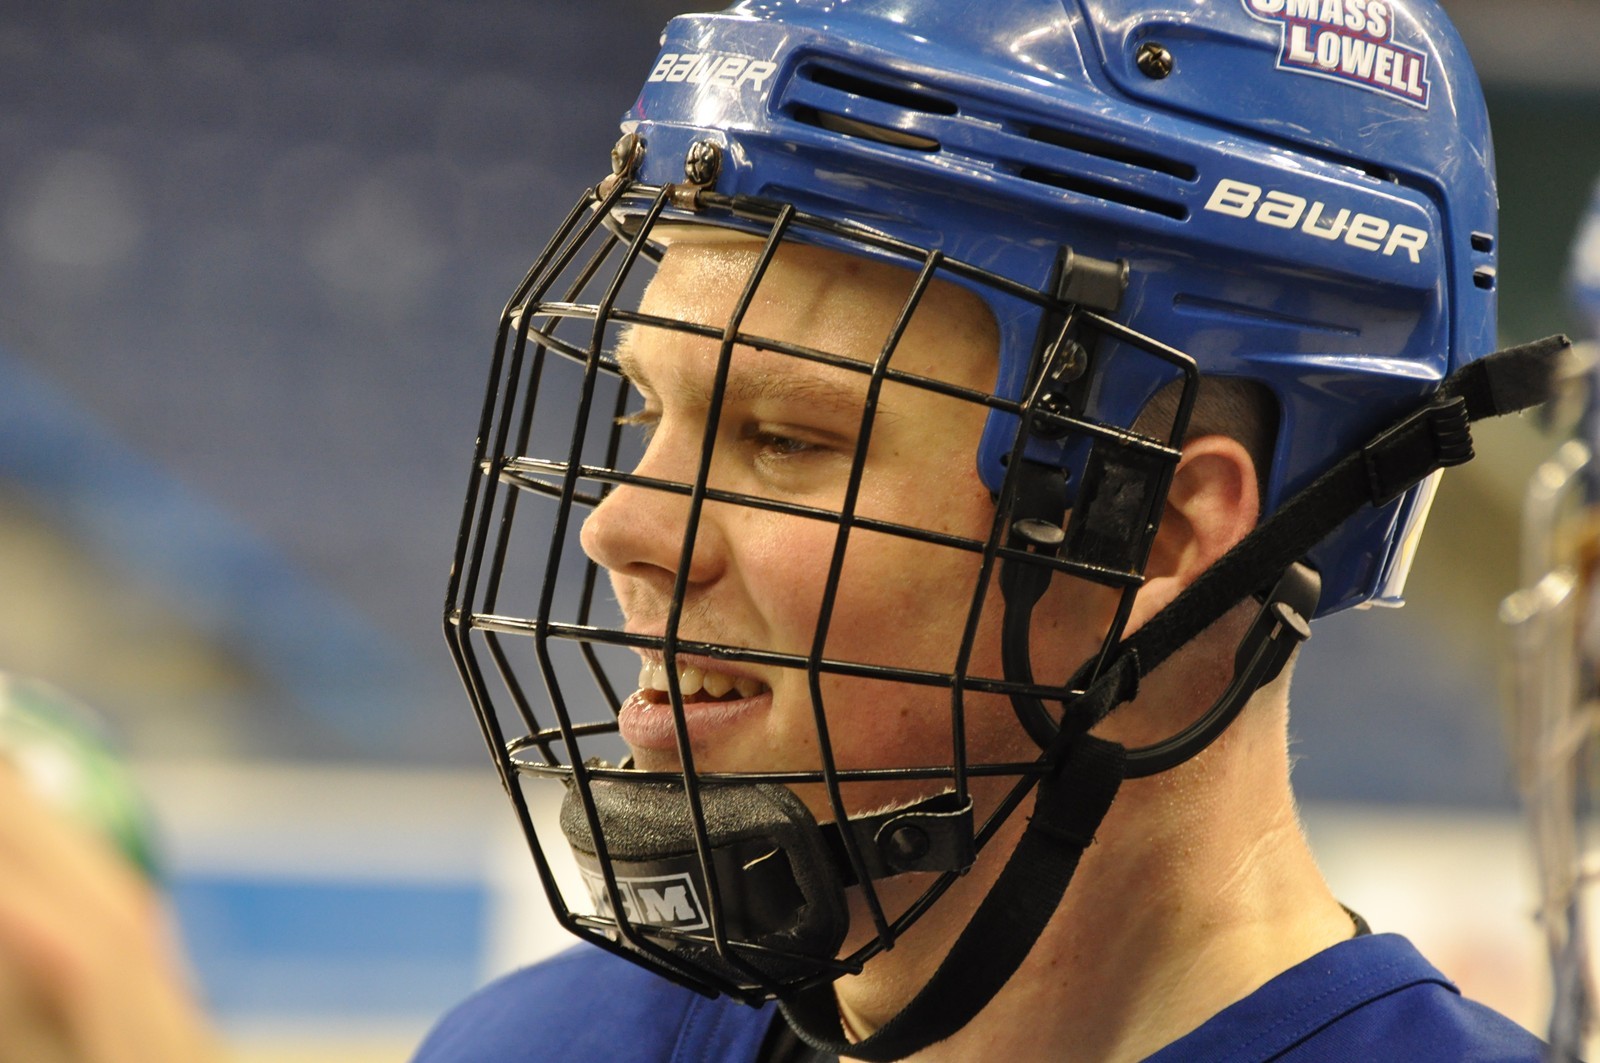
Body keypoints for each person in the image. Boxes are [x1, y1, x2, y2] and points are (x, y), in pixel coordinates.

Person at [426, 0, 1564, 1059]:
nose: (621, 528)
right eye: (645, 413)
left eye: (782, 439)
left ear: (1159, 529)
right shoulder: (543, 1041)